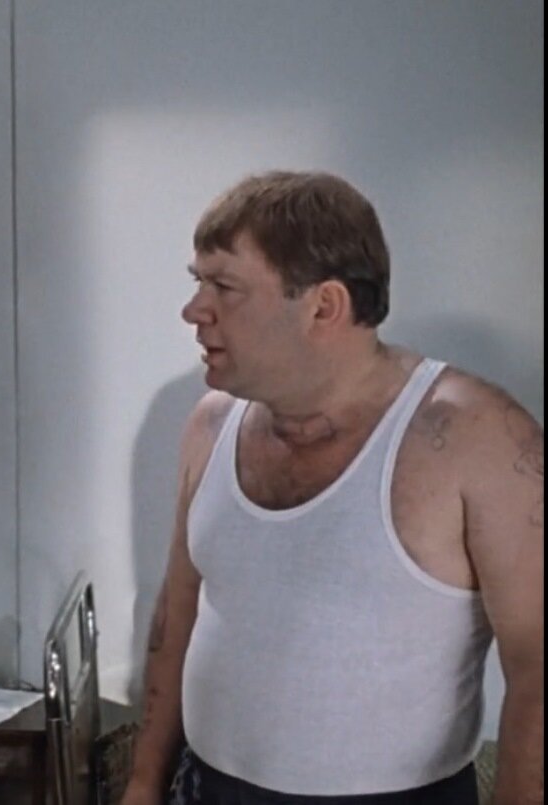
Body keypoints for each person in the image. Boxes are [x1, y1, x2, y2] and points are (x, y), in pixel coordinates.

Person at [121, 171, 543, 804]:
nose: (194, 310)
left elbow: (538, 667)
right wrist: (143, 783)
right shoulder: (211, 423)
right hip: (207, 785)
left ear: (324, 306)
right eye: (197, 282)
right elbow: (177, 611)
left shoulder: (475, 438)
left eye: (224, 287)